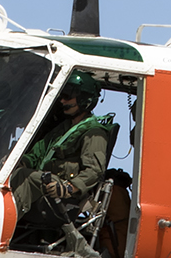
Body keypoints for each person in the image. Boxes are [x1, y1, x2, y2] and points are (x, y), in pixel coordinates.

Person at [11, 70, 115, 221]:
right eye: (62, 95)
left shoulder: (94, 132)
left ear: (83, 99)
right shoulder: (63, 128)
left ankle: (5, 223)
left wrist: (70, 187)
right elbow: (37, 153)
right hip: (45, 182)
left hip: (63, 189)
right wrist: (20, 163)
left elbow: (94, 170)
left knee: (26, 176)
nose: (62, 101)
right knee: (16, 173)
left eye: (67, 96)